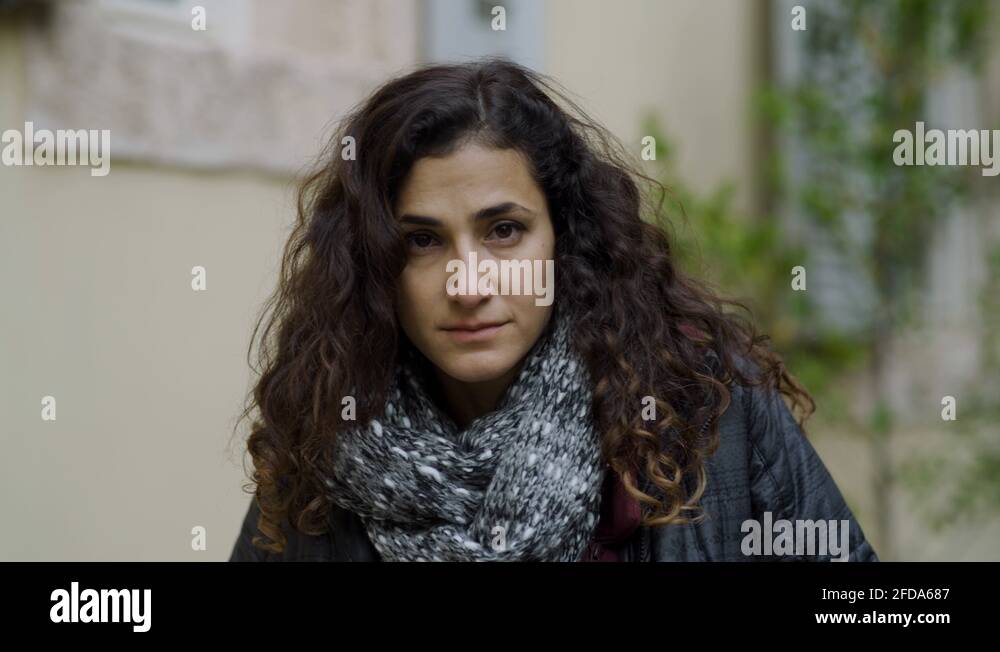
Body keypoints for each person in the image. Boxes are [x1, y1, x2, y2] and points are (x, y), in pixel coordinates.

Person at [227, 57, 878, 562]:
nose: (468, 283)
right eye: (421, 241)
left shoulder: (705, 400)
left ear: (563, 237)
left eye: (503, 231)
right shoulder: (326, 428)